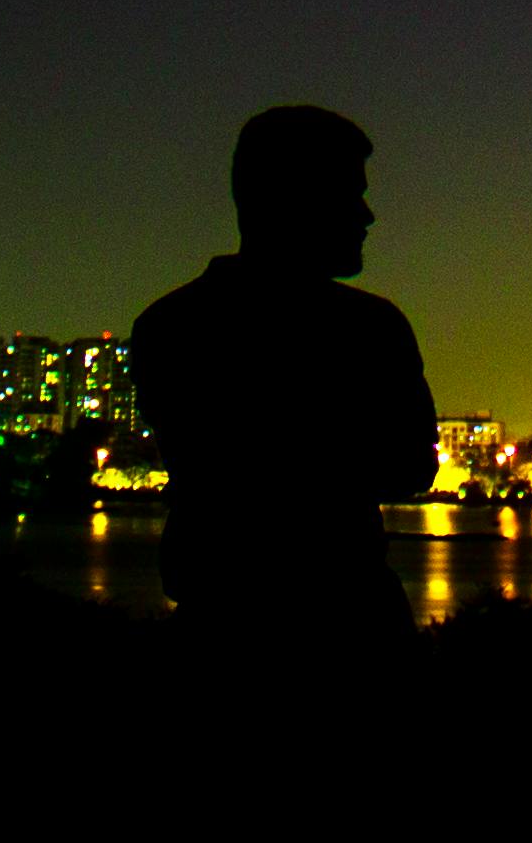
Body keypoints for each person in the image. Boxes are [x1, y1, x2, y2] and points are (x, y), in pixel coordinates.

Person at [130, 104, 435, 647]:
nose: (367, 217)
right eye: (350, 194)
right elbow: (409, 465)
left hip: (217, 626)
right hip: (350, 633)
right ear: (295, 198)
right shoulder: (370, 328)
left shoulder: (170, 325)